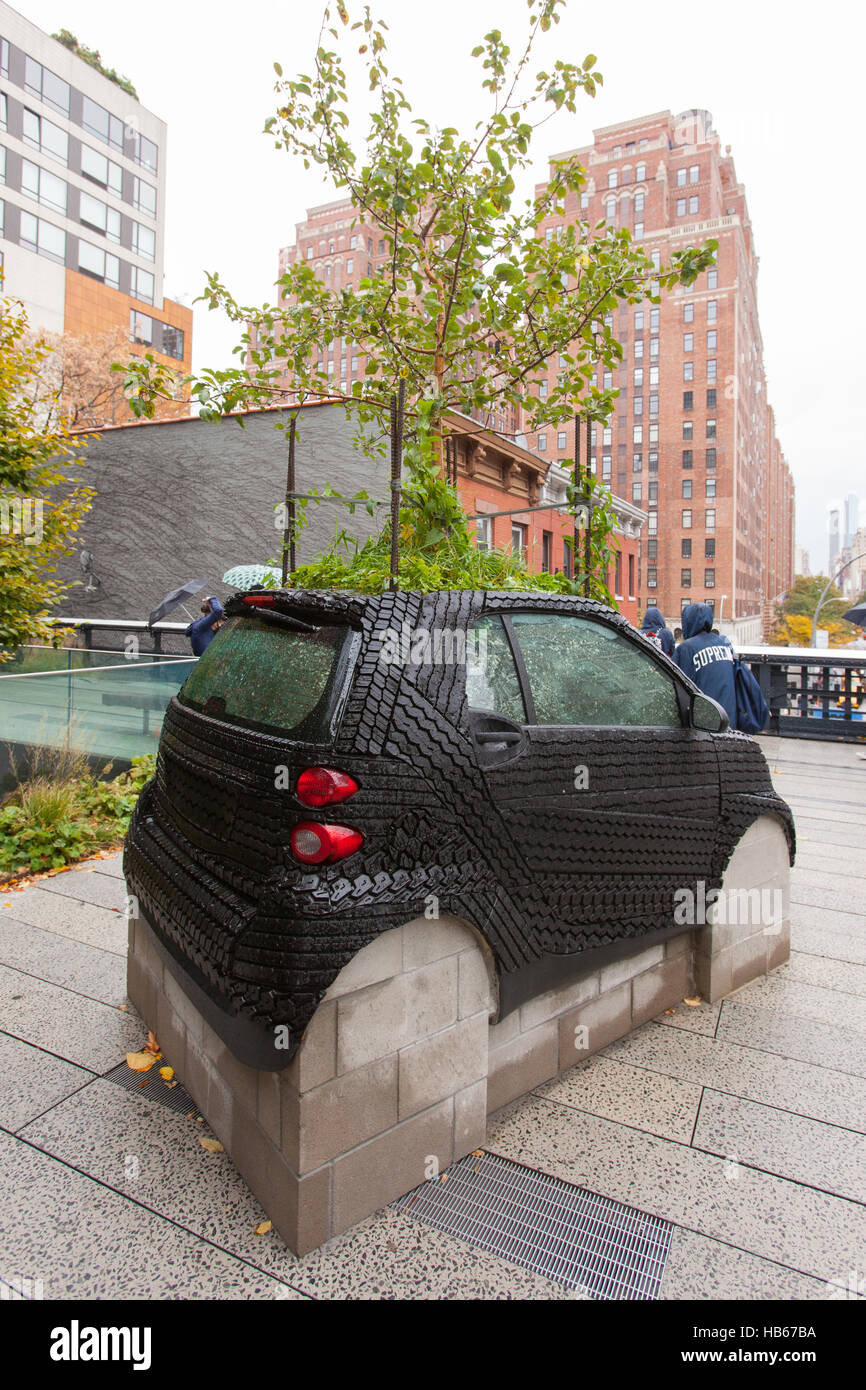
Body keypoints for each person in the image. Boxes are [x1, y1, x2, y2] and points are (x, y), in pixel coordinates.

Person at [674, 602, 737, 727]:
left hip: (704, 726)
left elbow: (676, 687)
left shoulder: (686, 648)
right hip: (729, 722)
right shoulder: (724, 643)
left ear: (687, 622)